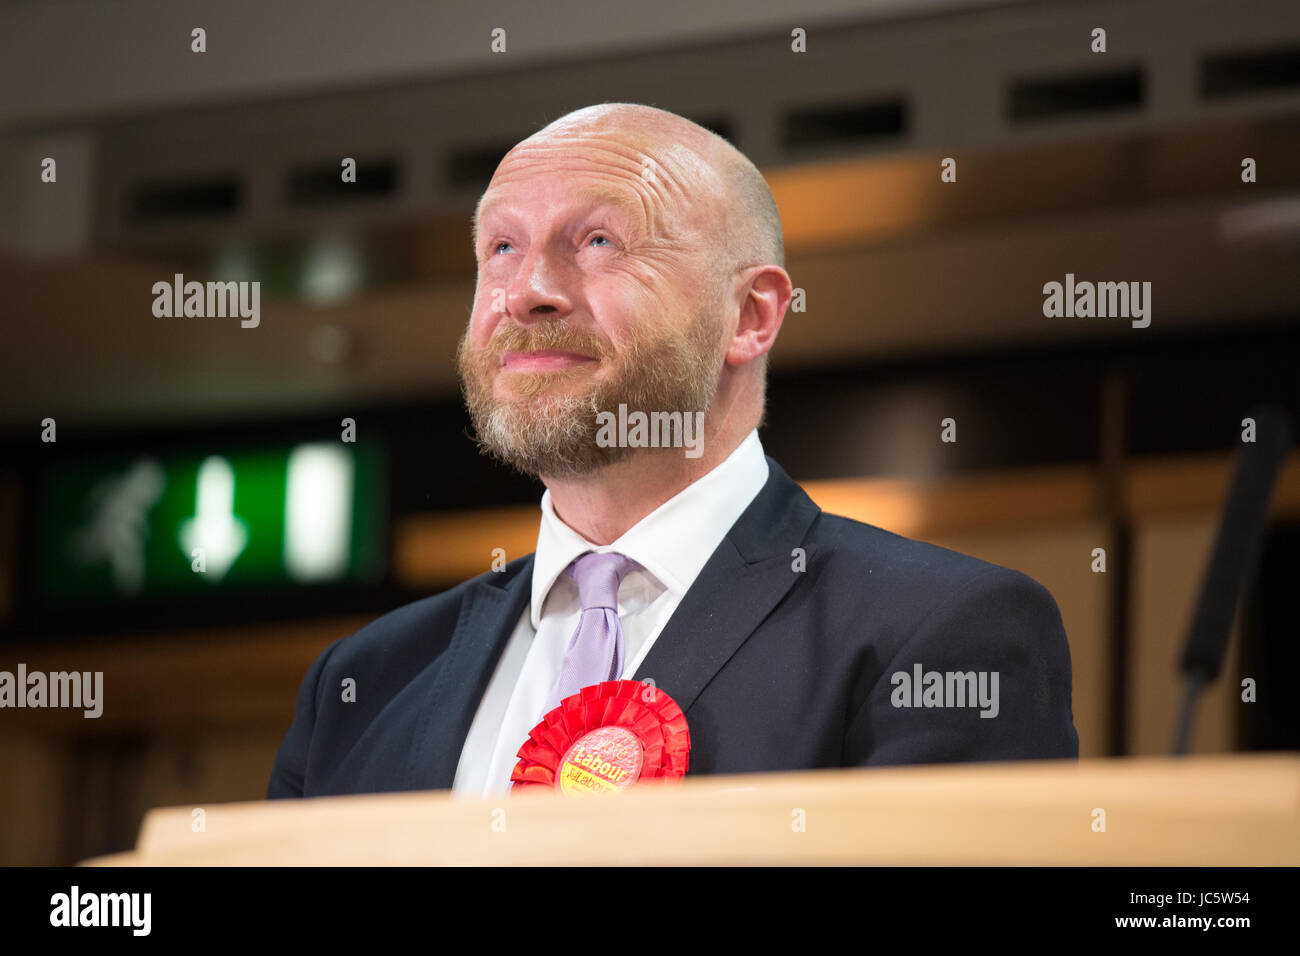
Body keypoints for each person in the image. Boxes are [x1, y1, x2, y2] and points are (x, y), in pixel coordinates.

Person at [268, 102, 1078, 800]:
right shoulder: (360, 685)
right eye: (501, 249)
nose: (527, 291)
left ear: (751, 316)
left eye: (598, 241)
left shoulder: (939, 635)